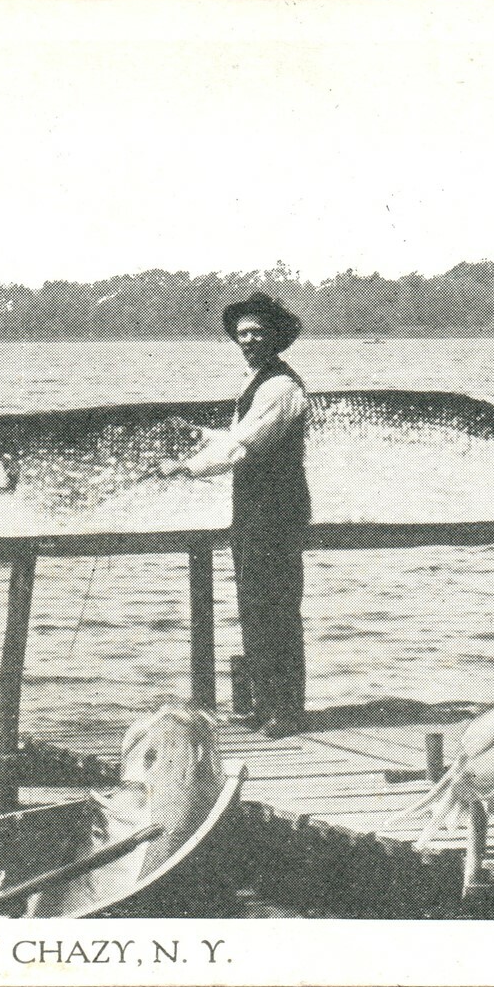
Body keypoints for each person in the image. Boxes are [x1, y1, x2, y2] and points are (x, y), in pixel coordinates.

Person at [159, 292, 311, 738]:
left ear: (275, 338)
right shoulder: (258, 382)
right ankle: (266, 706)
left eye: (257, 332)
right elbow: (236, 436)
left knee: (275, 607)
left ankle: (285, 711)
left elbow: (242, 447)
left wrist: (187, 466)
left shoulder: (280, 387)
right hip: (254, 509)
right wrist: (198, 435)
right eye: (242, 333)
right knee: (254, 605)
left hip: (277, 511)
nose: (248, 340)